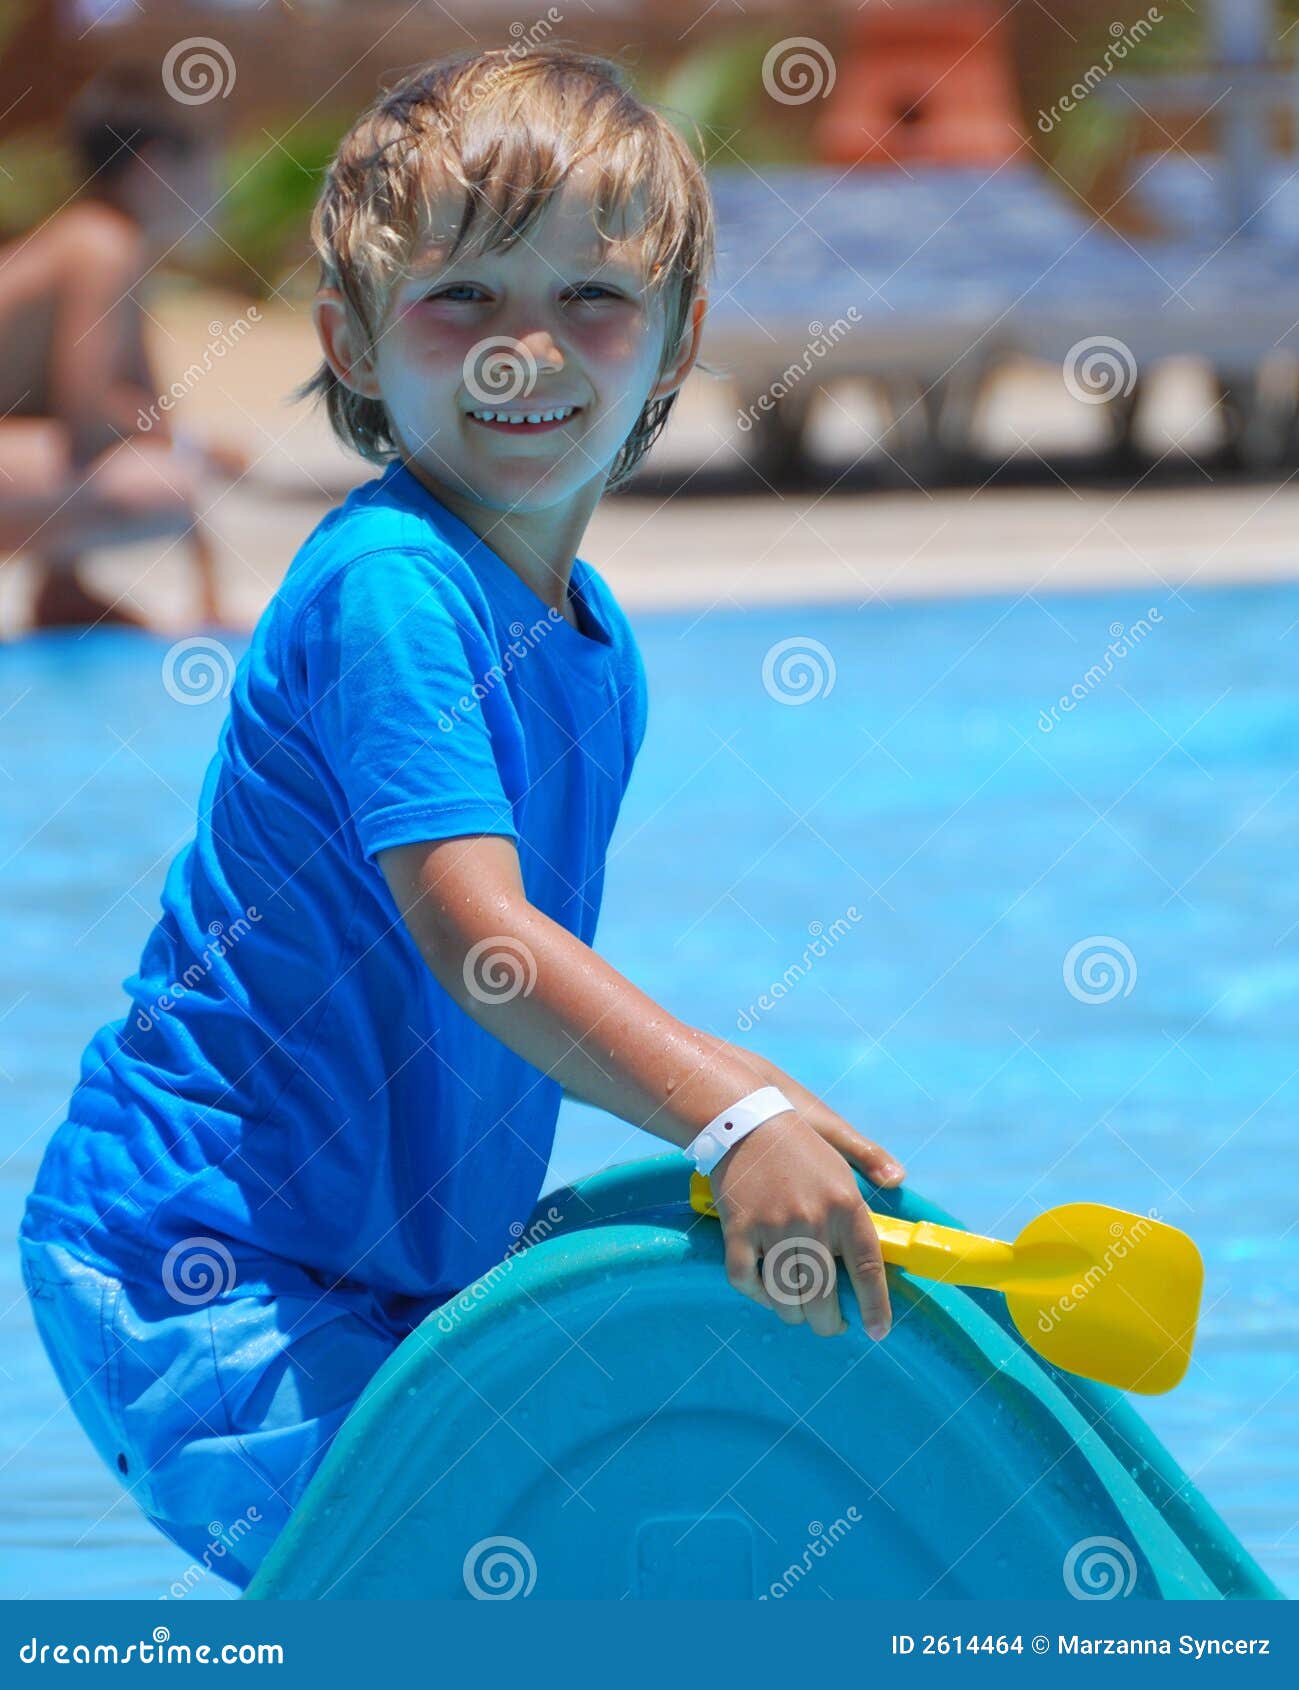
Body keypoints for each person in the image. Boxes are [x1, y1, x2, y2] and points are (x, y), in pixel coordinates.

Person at [18, 44, 906, 1590]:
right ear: (351, 340)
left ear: (679, 337)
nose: (523, 354)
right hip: (205, 1267)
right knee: (467, 1599)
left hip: (393, 1277)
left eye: (589, 300)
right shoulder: (390, 592)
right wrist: (723, 1113)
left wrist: (742, 1081)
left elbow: (522, 970)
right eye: (462, 300)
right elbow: (475, 936)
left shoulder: (594, 644)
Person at [0, 66, 245, 628]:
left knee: (163, 465)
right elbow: (87, 414)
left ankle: (63, 585)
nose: (216, 185)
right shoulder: (103, 247)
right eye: (205, 165)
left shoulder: (97, 243)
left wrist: (209, 595)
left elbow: (144, 412)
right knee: (161, 480)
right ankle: (62, 584)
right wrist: (199, 448)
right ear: (154, 166)